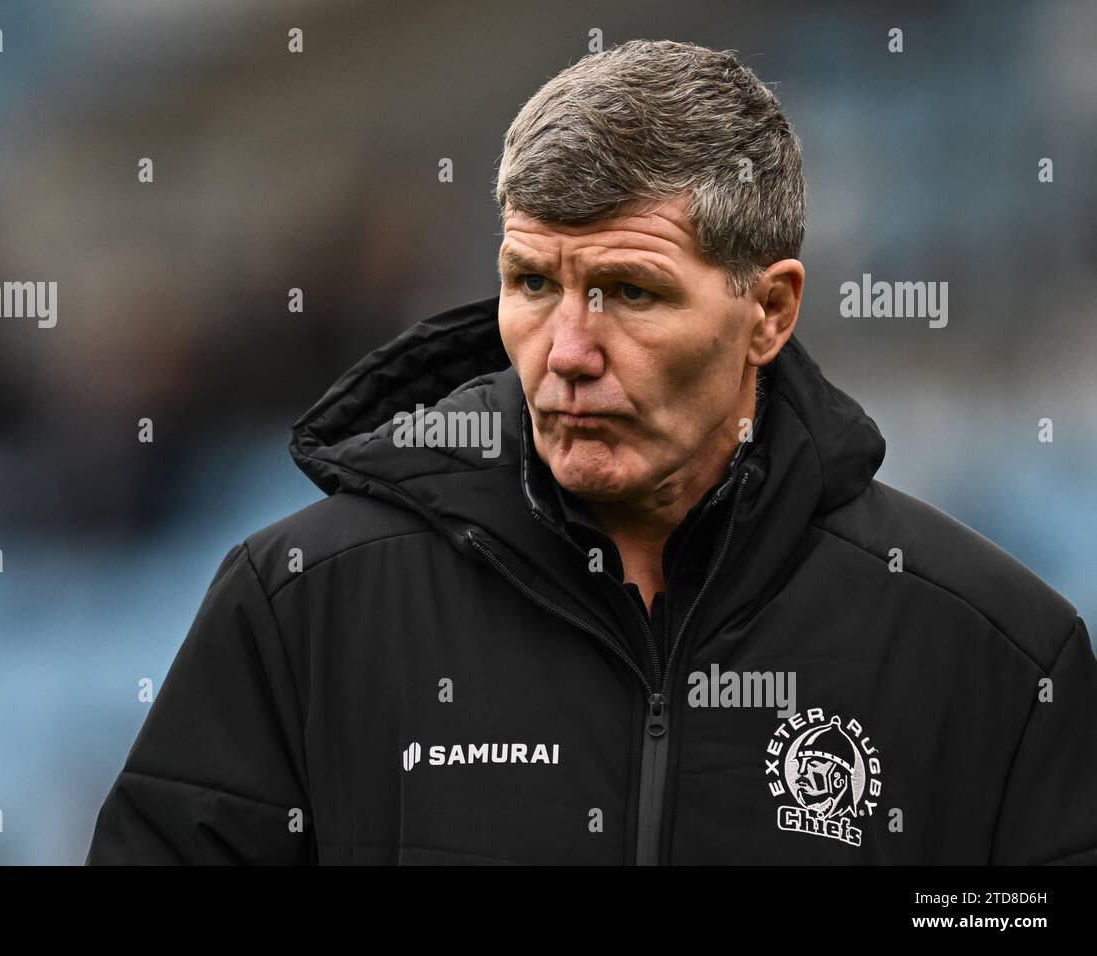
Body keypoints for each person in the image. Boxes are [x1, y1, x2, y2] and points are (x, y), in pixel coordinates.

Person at [86, 39, 1096, 865]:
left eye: (632, 291)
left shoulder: (994, 654)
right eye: (532, 284)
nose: (566, 352)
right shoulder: (301, 605)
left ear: (769, 311)